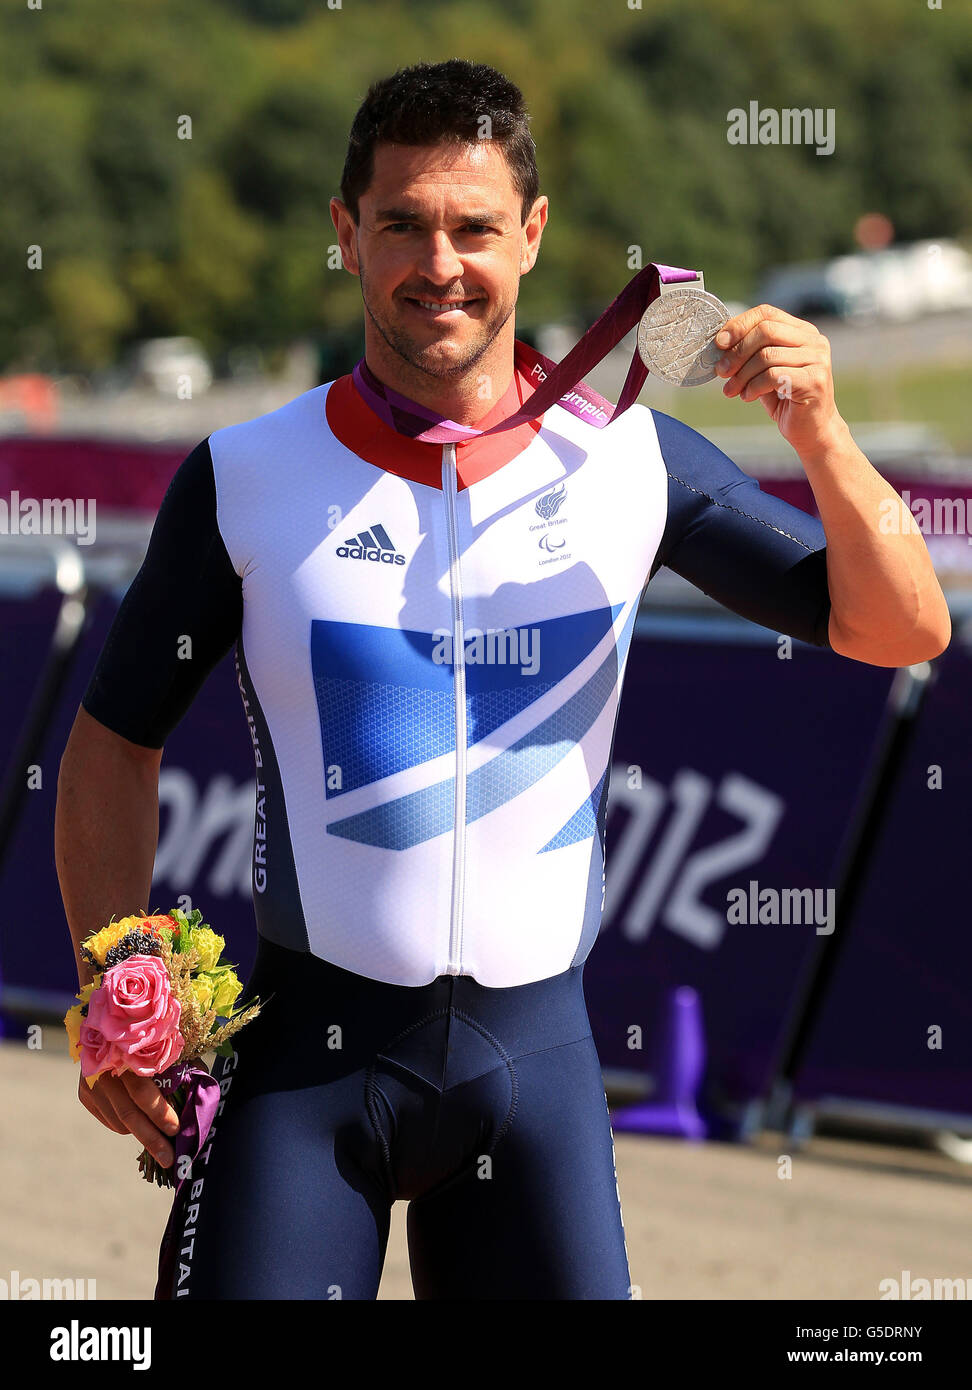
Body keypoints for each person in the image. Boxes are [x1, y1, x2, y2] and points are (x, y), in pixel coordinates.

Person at [55, 59, 950, 1301]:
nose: (440, 262)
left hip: (537, 1073)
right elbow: (111, 739)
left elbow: (901, 630)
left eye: (475, 226)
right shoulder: (251, 474)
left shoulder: (633, 459)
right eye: (401, 224)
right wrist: (115, 985)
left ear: (530, 236)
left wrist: (824, 438)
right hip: (306, 1075)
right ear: (344, 235)